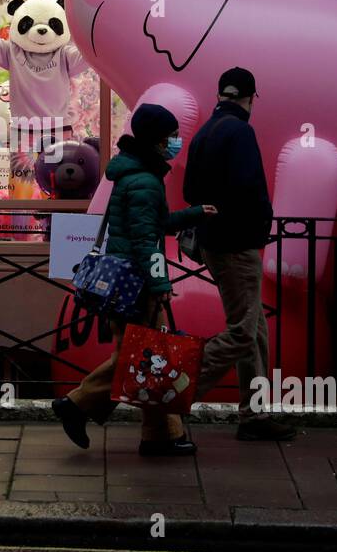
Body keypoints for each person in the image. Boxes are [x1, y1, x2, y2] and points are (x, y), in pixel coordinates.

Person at [53, 103, 217, 456]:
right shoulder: (145, 181)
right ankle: (79, 405)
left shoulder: (135, 175)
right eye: (172, 136)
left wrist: (192, 214)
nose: (176, 141)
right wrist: (160, 284)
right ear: (157, 140)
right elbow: (147, 242)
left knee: (143, 356)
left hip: (124, 281)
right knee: (142, 357)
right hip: (137, 285)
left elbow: (151, 226)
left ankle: (158, 435)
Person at [183, 67, 296, 441]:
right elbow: (249, 190)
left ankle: (255, 415)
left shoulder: (204, 133)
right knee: (244, 331)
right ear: (250, 98)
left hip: (214, 243)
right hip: (238, 246)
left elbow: (189, 191)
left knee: (255, 329)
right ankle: (176, 390)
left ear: (220, 95)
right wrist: (259, 224)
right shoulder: (241, 131)